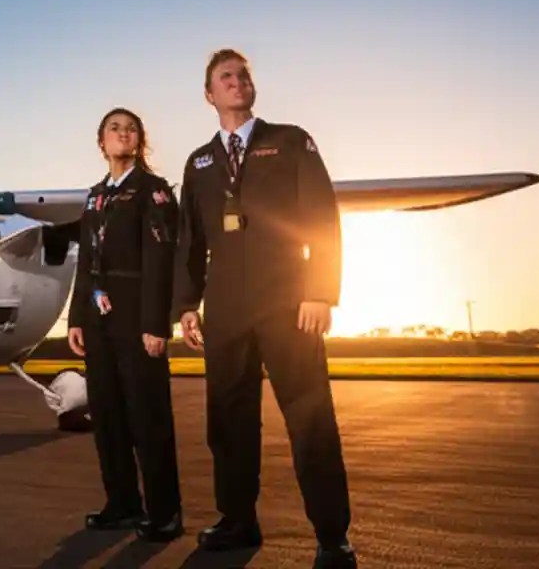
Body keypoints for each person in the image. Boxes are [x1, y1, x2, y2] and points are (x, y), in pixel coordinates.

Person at [173, 49, 356, 568]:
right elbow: (191, 239)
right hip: (225, 307)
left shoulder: (290, 141)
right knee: (228, 421)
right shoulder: (199, 162)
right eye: (225, 77)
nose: (237, 82)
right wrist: (187, 304)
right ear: (209, 95)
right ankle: (237, 519)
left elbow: (322, 216)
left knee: (309, 415)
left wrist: (320, 290)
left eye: (243, 75)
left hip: (287, 300)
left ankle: (331, 534)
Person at [66, 107, 183, 541]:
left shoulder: (153, 192)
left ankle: (165, 511)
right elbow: (85, 261)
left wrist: (156, 323)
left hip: (137, 318)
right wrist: (77, 318)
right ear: (102, 141)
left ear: (140, 141)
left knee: (147, 416)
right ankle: (122, 503)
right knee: (109, 415)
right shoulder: (95, 196)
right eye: (114, 128)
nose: (123, 133)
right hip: (97, 322)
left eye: (131, 128)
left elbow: (160, 260)